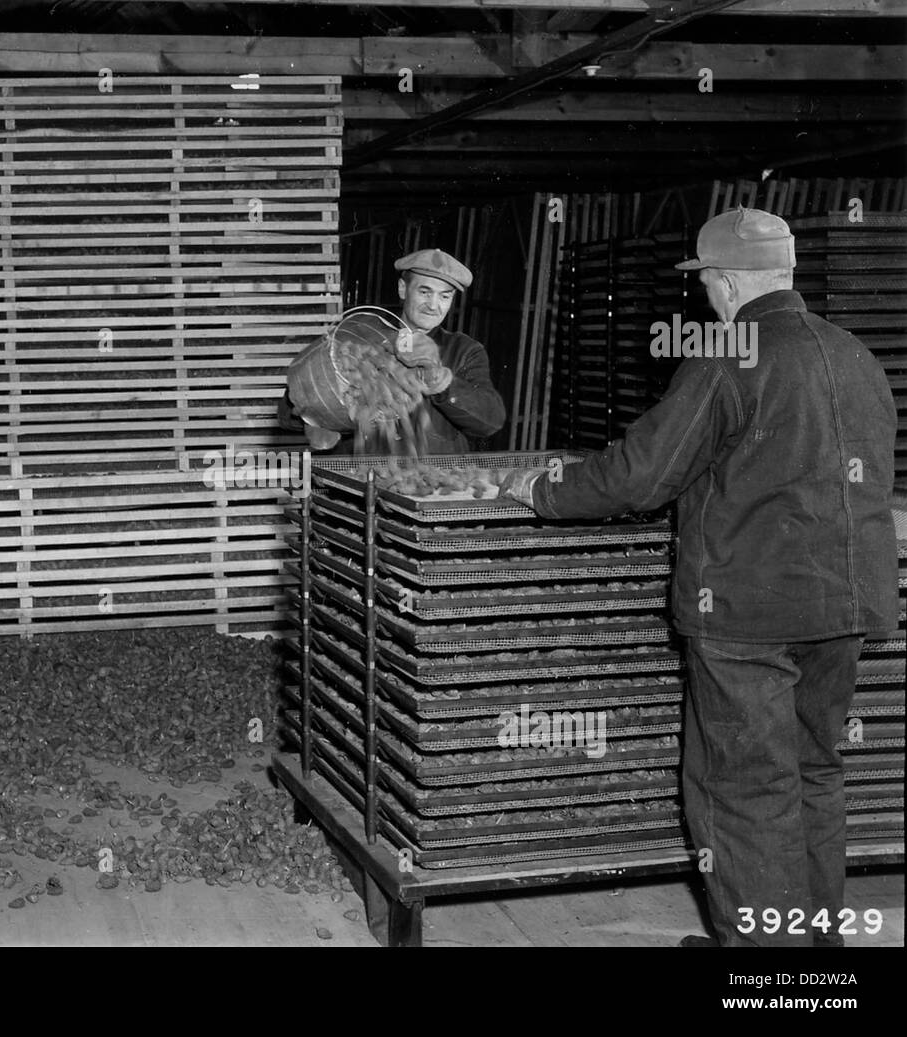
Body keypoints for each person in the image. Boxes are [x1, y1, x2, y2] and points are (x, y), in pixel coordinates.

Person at [495, 207, 898, 948]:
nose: (705, 295)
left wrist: (543, 489)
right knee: (815, 772)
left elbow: (641, 475)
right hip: (846, 608)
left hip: (749, 615)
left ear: (728, 281)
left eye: (707, 280)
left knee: (744, 789)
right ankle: (814, 951)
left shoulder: (727, 357)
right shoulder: (857, 356)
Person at [278, 248, 506, 454]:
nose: (433, 305)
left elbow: (490, 421)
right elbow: (286, 415)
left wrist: (441, 382)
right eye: (425, 292)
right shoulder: (358, 337)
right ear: (403, 289)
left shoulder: (464, 351)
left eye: (444, 296)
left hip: (432, 484)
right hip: (364, 481)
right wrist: (316, 407)